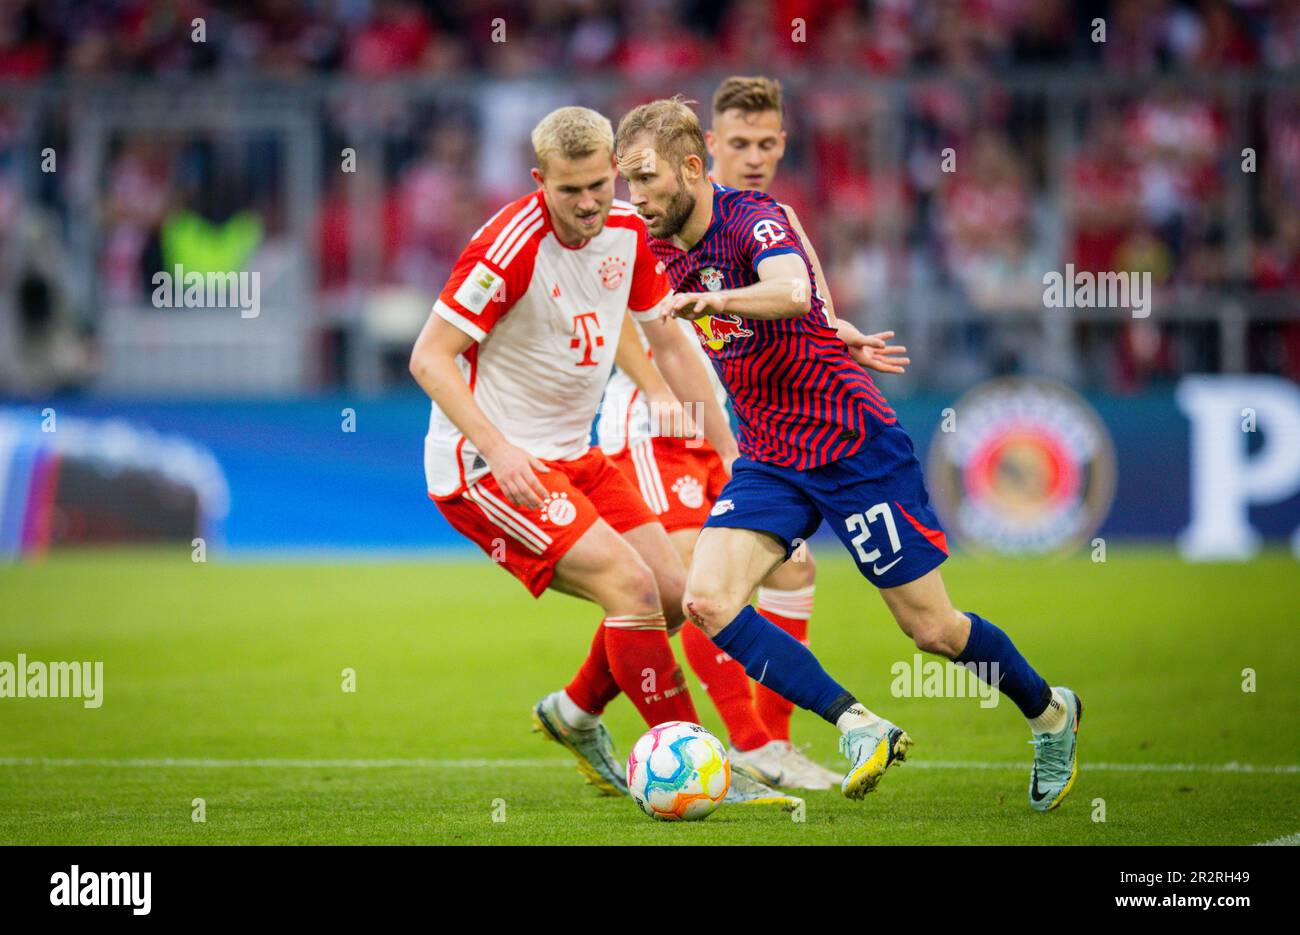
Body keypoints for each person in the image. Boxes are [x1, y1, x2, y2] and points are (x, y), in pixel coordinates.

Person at [613, 97, 1081, 810]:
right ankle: (859, 724)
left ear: (688, 167)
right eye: (626, 182)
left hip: (850, 444)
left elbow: (794, 290)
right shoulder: (654, 243)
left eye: (644, 179)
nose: (634, 197)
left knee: (932, 628)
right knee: (705, 598)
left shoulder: (752, 219)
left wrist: (721, 305)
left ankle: (1050, 712)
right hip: (770, 455)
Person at [408, 105, 797, 808]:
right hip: (487, 467)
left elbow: (671, 342)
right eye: (569, 190)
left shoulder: (627, 232)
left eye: (598, 184)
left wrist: (737, 454)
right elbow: (429, 358)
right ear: (539, 181)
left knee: (677, 594)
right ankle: (703, 764)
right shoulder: (507, 247)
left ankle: (575, 712)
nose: (588, 203)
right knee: (632, 586)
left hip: (572, 453)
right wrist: (497, 446)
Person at [596, 76, 908, 790]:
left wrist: (841, 335)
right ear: (704, 150)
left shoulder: (767, 216)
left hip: (743, 414)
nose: (756, 156)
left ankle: (591, 709)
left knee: (773, 572)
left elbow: (802, 300)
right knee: (683, 584)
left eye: (768, 142)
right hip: (662, 412)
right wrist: (659, 393)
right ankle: (748, 742)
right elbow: (628, 312)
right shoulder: (652, 213)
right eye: (740, 142)